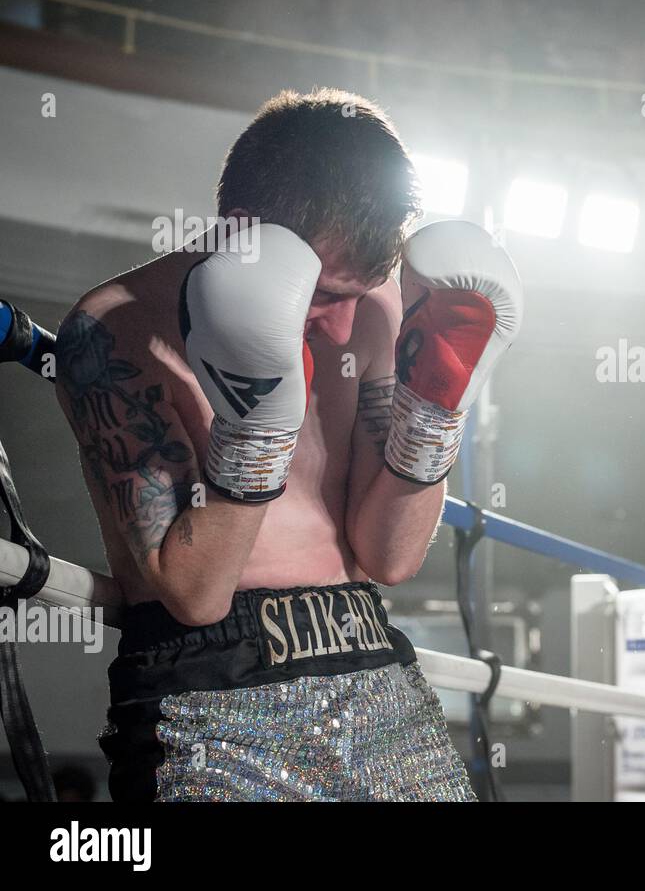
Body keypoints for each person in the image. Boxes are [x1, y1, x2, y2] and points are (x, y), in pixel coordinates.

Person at [53, 88, 522, 801]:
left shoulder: (377, 312)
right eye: (327, 294)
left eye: (359, 294)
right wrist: (257, 428)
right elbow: (195, 591)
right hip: (208, 694)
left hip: (369, 666)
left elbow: (390, 557)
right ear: (243, 232)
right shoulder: (113, 330)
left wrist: (433, 409)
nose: (340, 326)